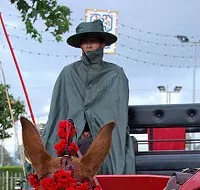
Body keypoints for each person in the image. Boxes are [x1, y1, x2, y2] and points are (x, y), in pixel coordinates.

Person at [40, 19, 135, 174]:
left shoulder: (116, 74)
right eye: (85, 42)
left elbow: (116, 114)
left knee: (89, 148)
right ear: (80, 45)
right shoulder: (68, 73)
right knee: (52, 153)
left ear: (103, 44)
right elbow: (59, 110)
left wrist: (94, 130)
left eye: (93, 41)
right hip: (70, 137)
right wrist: (76, 130)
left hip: (102, 138)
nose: (89, 46)